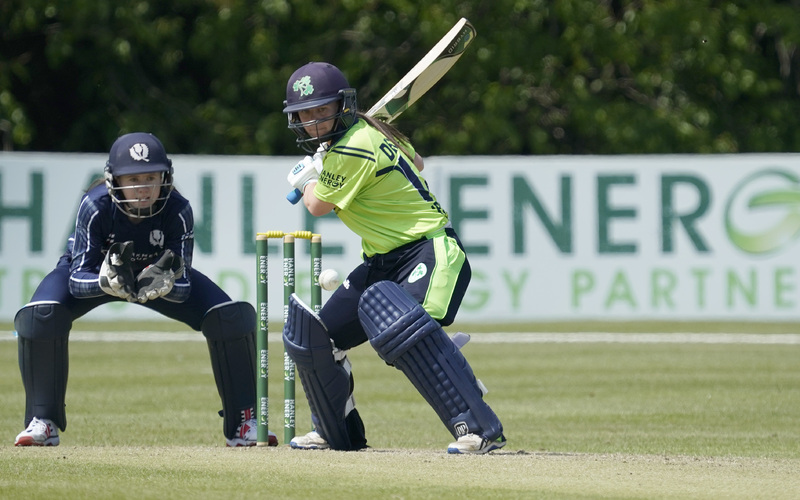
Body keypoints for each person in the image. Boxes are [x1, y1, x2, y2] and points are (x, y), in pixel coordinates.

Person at [281, 62, 506, 454]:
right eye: (306, 114)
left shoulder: (354, 145)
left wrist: (308, 176)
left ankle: (477, 428)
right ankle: (337, 432)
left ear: (341, 106)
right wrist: (326, 160)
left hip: (428, 249)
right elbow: (416, 162)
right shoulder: (370, 135)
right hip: (382, 261)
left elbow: (316, 204)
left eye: (322, 110)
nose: (314, 120)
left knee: (405, 334)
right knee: (318, 341)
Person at [13, 132, 277, 447]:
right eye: (133, 178)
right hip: (99, 275)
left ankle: (245, 425)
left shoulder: (178, 210)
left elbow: (184, 283)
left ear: (165, 178)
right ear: (114, 181)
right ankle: (42, 421)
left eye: (150, 177)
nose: (142, 188)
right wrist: (106, 281)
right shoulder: (95, 206)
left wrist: (165, 285)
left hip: (156, 279)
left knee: (231, 318)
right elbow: (75, 279)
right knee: (40, 315)